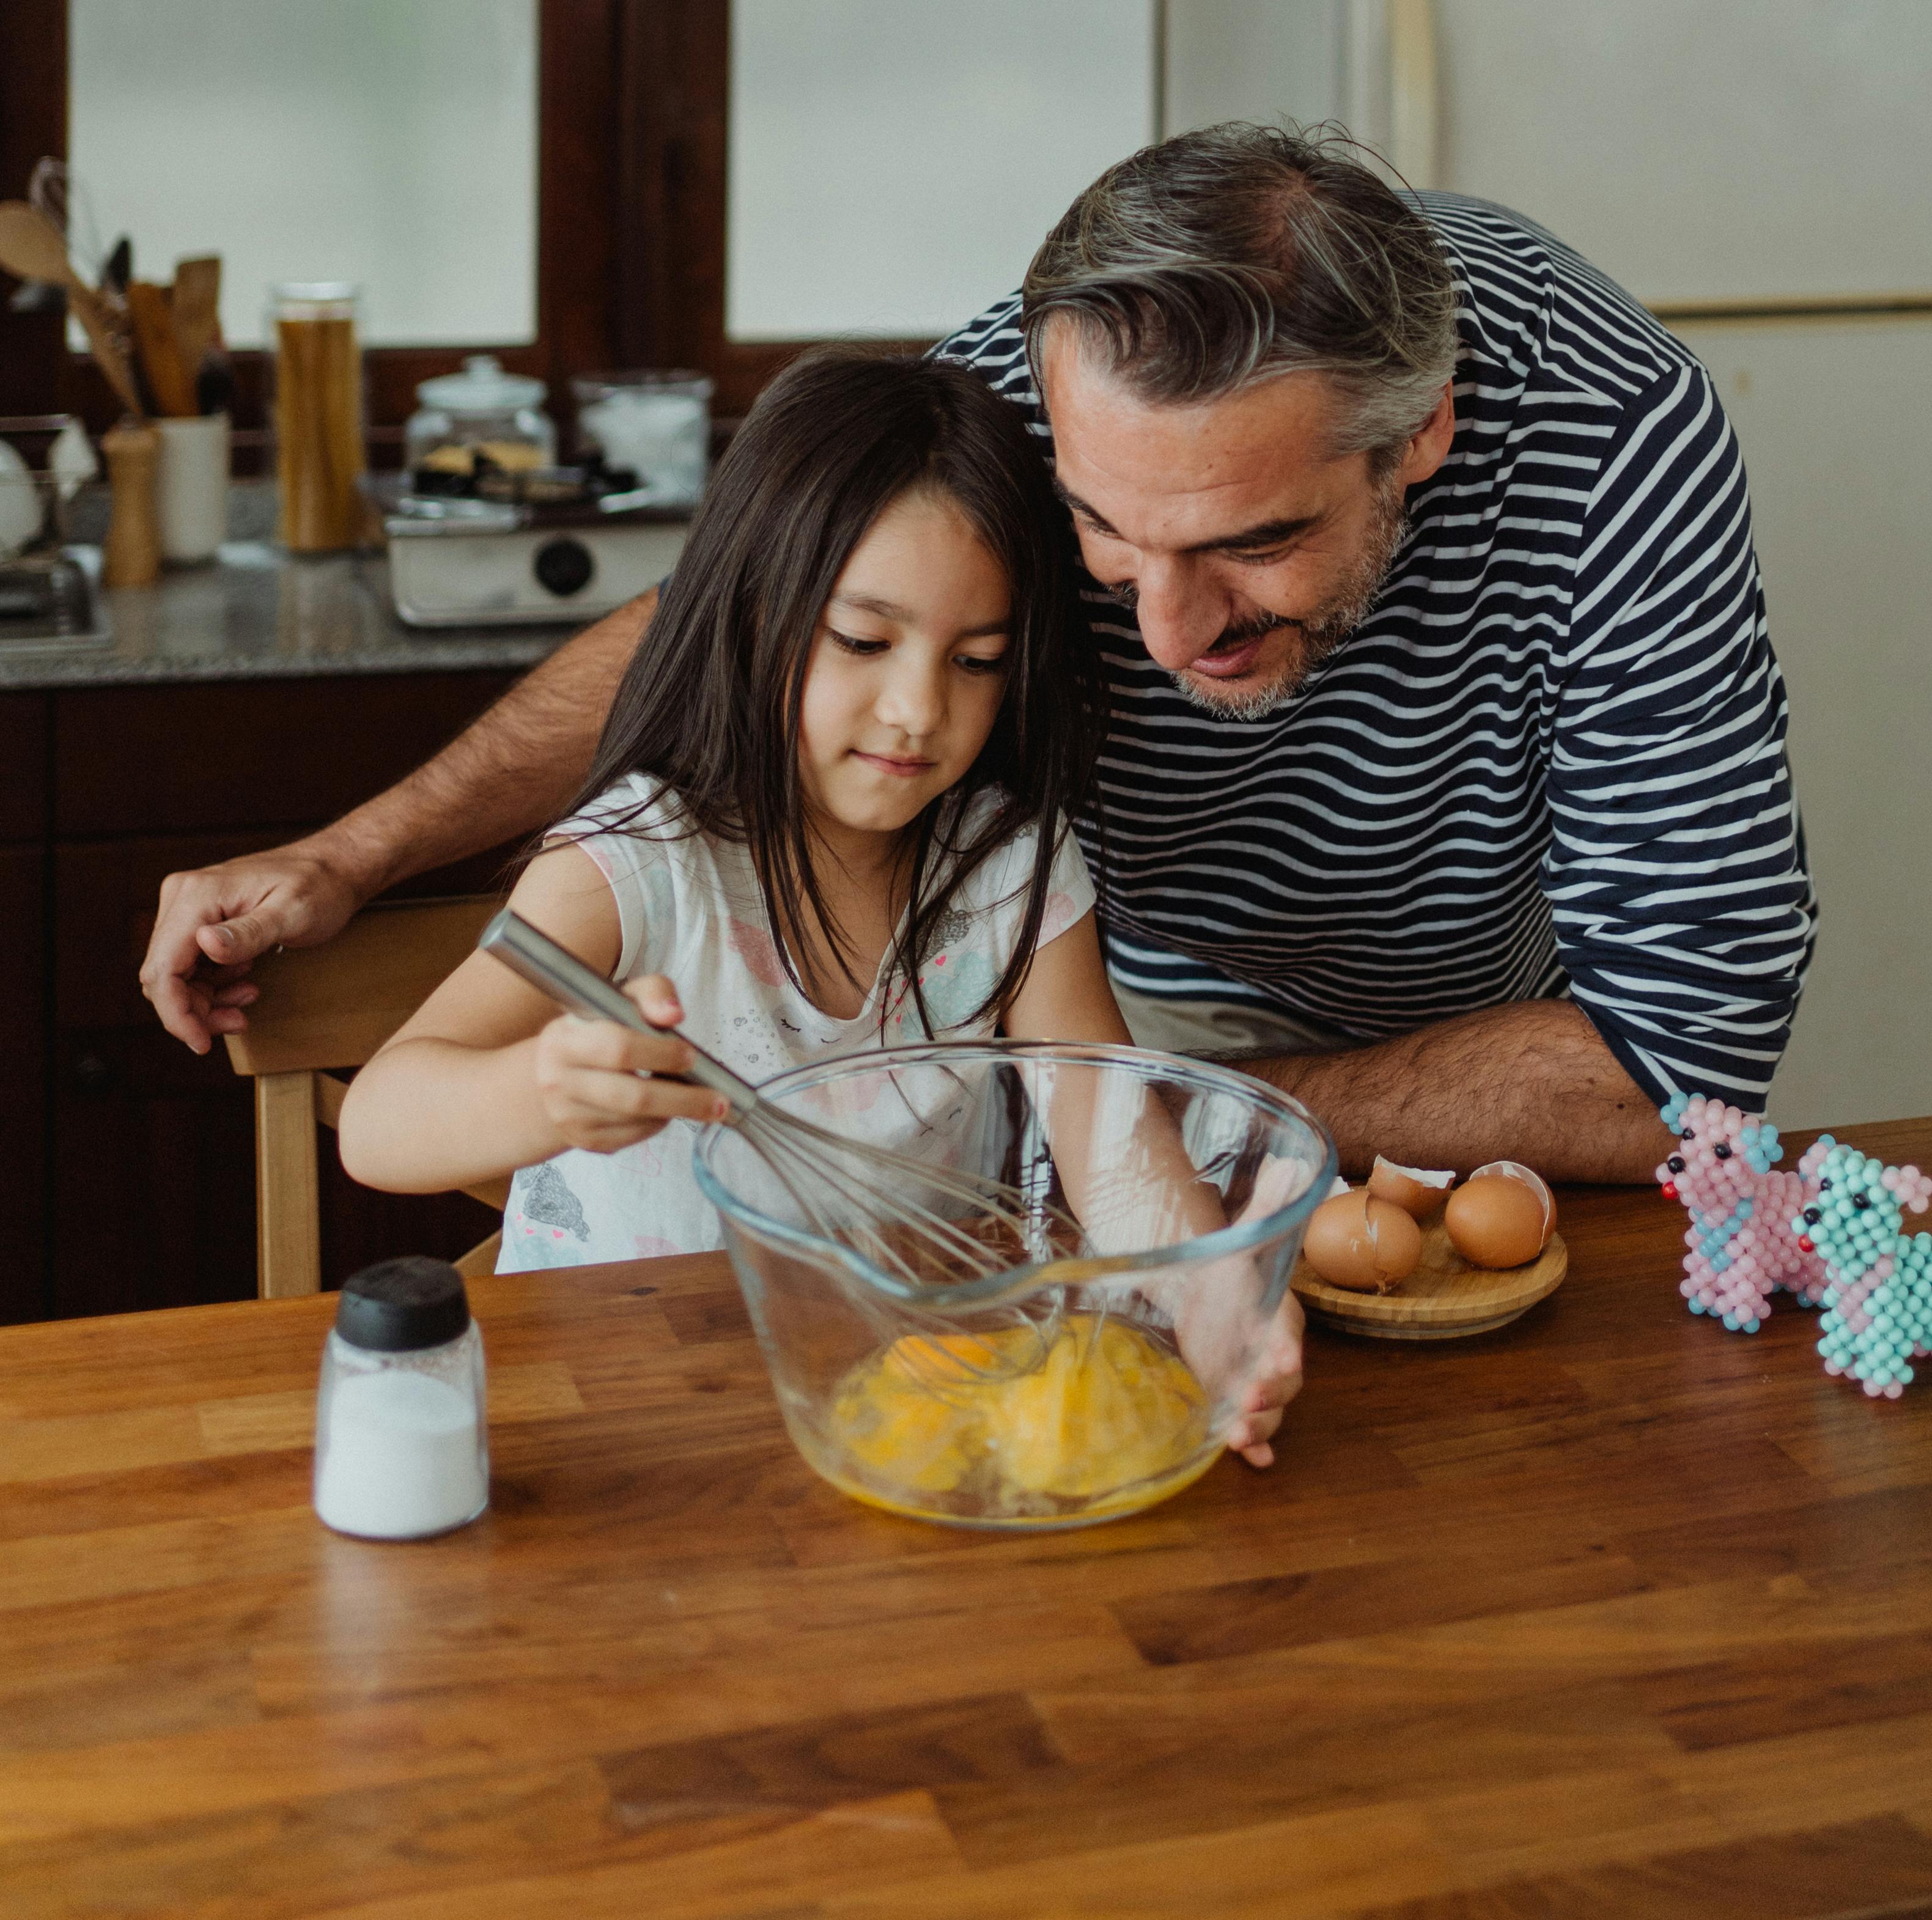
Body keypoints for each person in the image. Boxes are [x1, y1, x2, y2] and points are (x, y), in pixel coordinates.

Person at [144, 125, 1817, 1187]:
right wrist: (354, 854)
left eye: (1252, 543)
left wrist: (1134, 1098)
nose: (1166, 637)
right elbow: (735, 630)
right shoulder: (1006, 399)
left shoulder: (1612, 435)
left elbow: (1666, 1069)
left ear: (1422, 436)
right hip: (1107, 1020)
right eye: (1104, 536)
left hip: (1477, 1070)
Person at [336, 345, 1303, 1463]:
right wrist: (543, 1091)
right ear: (753, 611)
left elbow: (1110, 1131)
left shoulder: (1004, 866)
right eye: (862, 641)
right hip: (630, 1423)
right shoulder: (652, 860)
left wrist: (1201, 1294)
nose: (915, 708)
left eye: (978, 659)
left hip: (899, 1408)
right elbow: (381, 1120)